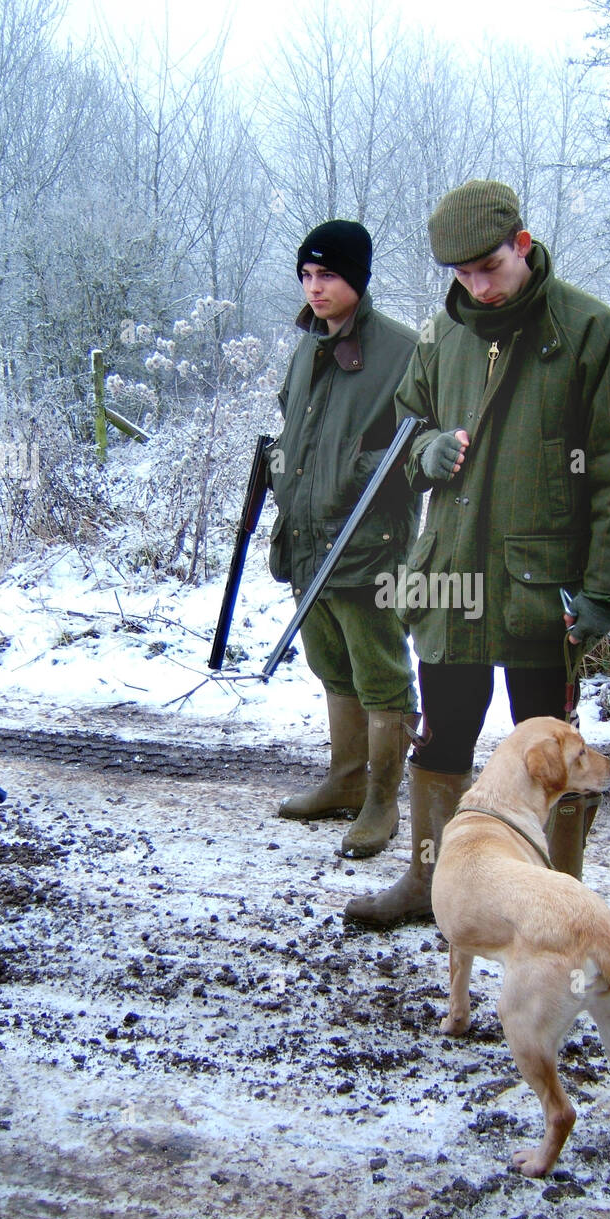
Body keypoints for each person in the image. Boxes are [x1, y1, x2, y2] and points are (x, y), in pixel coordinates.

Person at [344, 180, 610, 926]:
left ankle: (557, 900)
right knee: (443, 732)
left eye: (489, 267)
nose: (477, 287)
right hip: (450, 579)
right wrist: (428, 450)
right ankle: (428, 886)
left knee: (551, 754)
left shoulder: (588, 332)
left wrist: (604, 590)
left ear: (524, 243)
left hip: (546, 589)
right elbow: (399, 437)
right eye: (462, 274)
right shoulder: (440, 337)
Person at [269, 219, 419, 857]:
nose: (314, 287)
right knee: (331, 665)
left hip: (367, 543)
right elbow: (293, 432)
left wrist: (365, 472)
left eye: (326, 274)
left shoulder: (405, 351)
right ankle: (344, 781)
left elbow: (425, 448)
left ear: (356, 277)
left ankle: (383, 801)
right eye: (306, 275)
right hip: (307, 538)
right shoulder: (309, 346)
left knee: (381, 673)